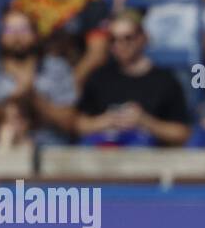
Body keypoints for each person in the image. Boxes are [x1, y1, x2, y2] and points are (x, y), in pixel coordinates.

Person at [75, 12, 191, 146]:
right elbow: (77, 124)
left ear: (143, 38)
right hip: (103, 153)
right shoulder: (99, 77)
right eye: (113, 39)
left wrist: (145, 122)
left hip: (147, 159)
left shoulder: (166, 81)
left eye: (127, 38)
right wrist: (105, 121)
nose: (120, 44)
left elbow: (183, 133)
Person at [0, 8, 78, 143]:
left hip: (51, 151)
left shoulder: (57, 69)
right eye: (10, 30)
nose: (17, 36)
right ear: (1, 37)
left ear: (36, 35)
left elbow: (71, 124)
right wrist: (7, 105)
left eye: (24, 29)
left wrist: (34, 98)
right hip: (1, 152)